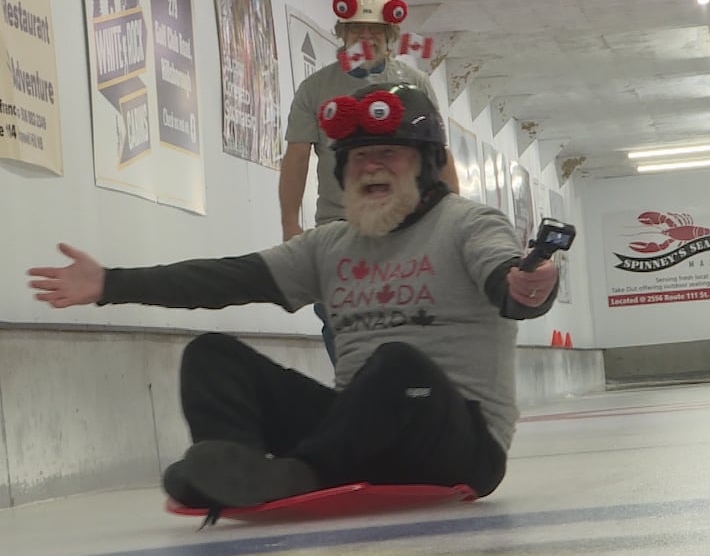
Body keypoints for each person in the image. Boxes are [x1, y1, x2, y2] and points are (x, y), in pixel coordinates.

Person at [28, 83, 559, 519]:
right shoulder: (330, 244)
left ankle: (298, 473)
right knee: (211, 354)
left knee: (399, 365)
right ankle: (229, 466)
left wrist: (526, 288)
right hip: (359, 435)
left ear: (424, 164)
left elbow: (509, 280)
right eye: (358, 159)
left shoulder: (467, 224)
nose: (372, 167)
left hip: (457, 444)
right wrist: (110, 284)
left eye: (389, 154)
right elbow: (226, 280)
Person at [280, 0, 459, 363]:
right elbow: (296, 159)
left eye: (375, 30)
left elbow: (439, 156)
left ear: (390, 35)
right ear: (341, 33)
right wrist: (289, 227)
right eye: (357, 30)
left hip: (409, 228)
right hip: (339, 226)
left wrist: (454, 219)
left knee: (412, 325)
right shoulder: (316, 89)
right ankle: (358, 401)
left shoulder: (415, 84)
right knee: (341, 325)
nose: (366, 37)